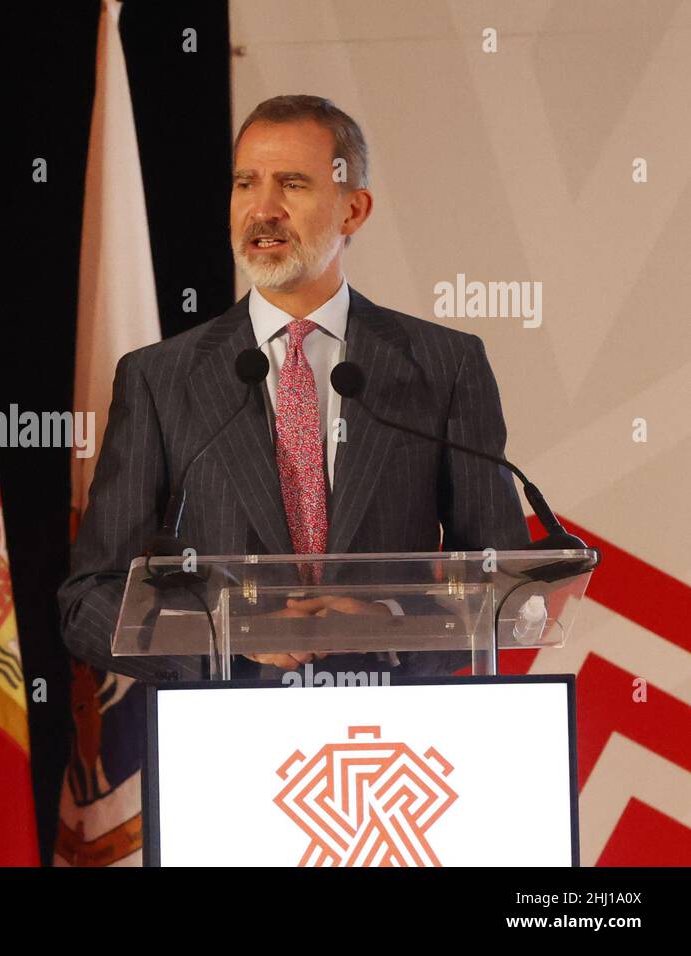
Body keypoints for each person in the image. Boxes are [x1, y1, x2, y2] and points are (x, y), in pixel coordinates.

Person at [59, 94, 530, 683]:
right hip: (227, 733)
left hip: (389, 736)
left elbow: (504, 582)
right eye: (245, 184)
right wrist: (227, 644)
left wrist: (388, 627)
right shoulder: (160, 378)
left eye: (292, 184)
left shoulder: (443, 366)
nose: (263, 209)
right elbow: (91, 599)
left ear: (353, 210)